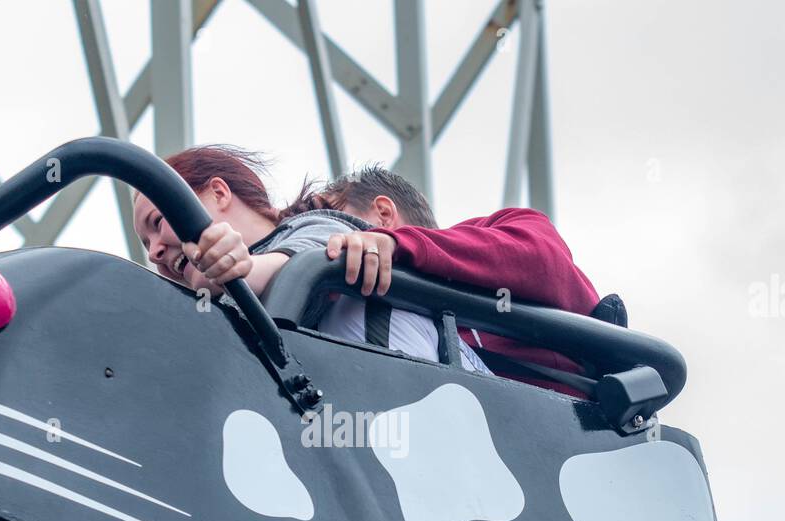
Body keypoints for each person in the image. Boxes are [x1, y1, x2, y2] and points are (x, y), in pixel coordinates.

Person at [131, 146, 490, 373]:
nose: (154, 252)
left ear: (219, 192)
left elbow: (306, 258)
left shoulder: (319, 227)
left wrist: (241, 271)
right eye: (146, 243)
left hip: (421, 399)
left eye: (158, 223)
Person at [317, 165, 610, 398]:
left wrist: (400, 245)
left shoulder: (499, 228)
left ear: (383, 214)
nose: (332, 243)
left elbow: (544, 262)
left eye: (334, 222)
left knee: (362, 301)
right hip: (437, 424)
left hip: (534, 427)